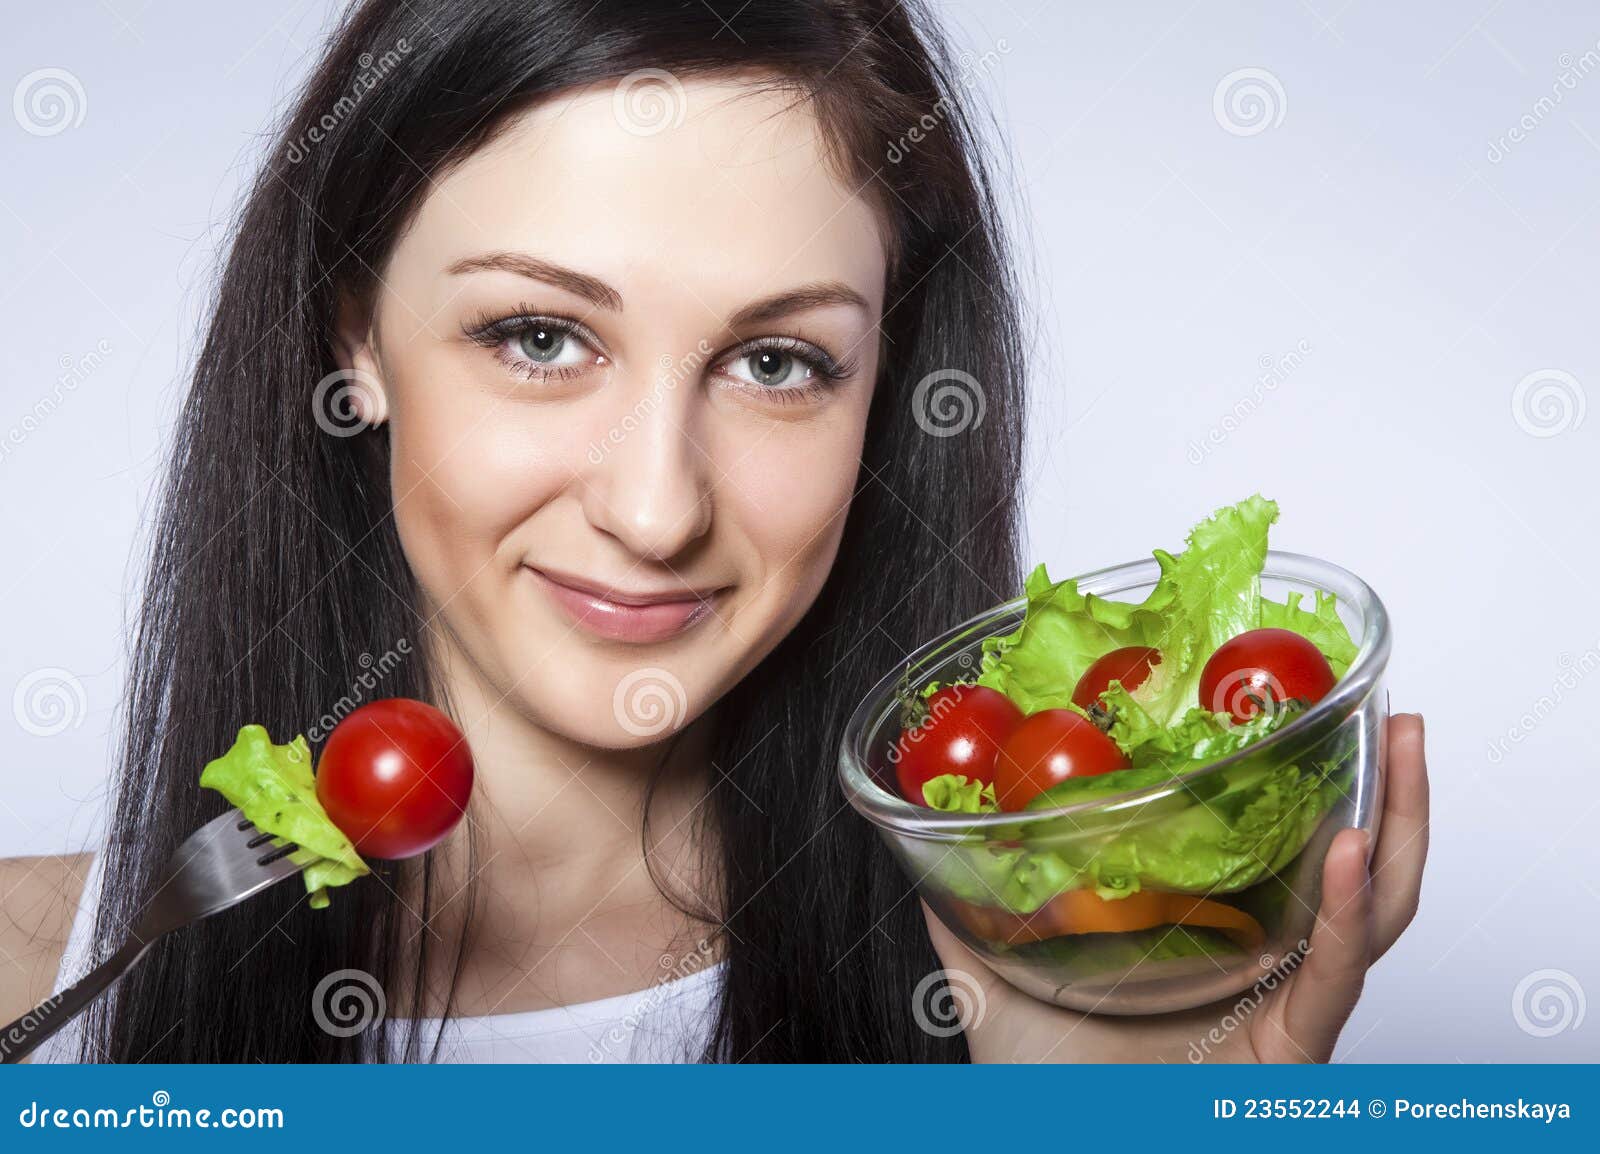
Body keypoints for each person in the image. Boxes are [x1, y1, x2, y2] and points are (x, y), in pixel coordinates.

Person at [0, 0, 1427, 1063]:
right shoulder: (34, 981)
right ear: (354, 335)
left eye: (777, 363)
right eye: (541, 335)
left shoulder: (1035, 995)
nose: (656, 505)